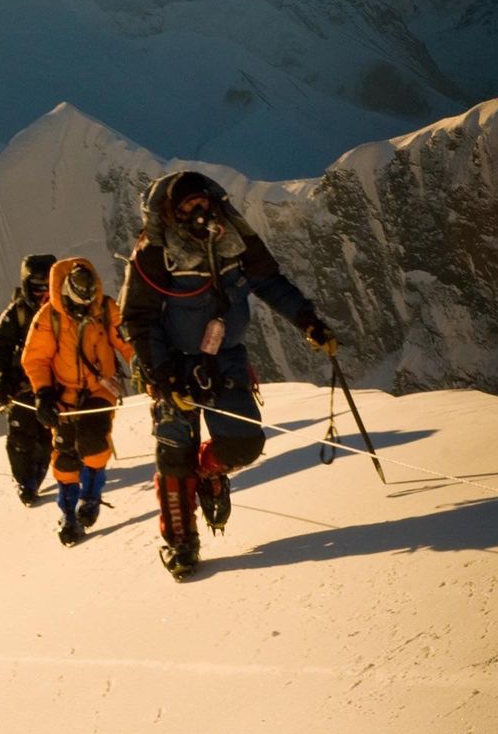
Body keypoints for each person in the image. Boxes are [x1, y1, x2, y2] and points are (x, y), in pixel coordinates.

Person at [120, 171, 338, 579]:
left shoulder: (235, 237)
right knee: (173, 457)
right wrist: (163, 375)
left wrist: (308, 320)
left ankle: (209, 471)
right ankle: (181, 544)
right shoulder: (154, 251)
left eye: (200, 203)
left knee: (243, 445)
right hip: (172, 366)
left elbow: (270, 282)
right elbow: (138, 317)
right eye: (186, 207)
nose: (197, 211)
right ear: (169, 212)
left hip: (226, 360)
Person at [22, 256, 134, 545]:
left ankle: (91, 498)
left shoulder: (106, 309)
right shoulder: (50, 317)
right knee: (66, 456)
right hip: (62, 394)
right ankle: (68, 514)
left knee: (95, 445)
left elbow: (127, 340)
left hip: (99, 390)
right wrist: (43, 394)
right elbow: (36, 358)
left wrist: (146, 366)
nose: (83, 307)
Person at [0, 253, 57, 504]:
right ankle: (25, 479)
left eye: (49, 286)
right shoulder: (17, 311)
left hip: (58, 381)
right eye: (38, 287)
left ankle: (73, 468)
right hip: (25, 383)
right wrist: (6, 374)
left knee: (55, 432)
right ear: (27, 286)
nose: (44, 293)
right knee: (21, 431)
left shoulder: (64, 308)